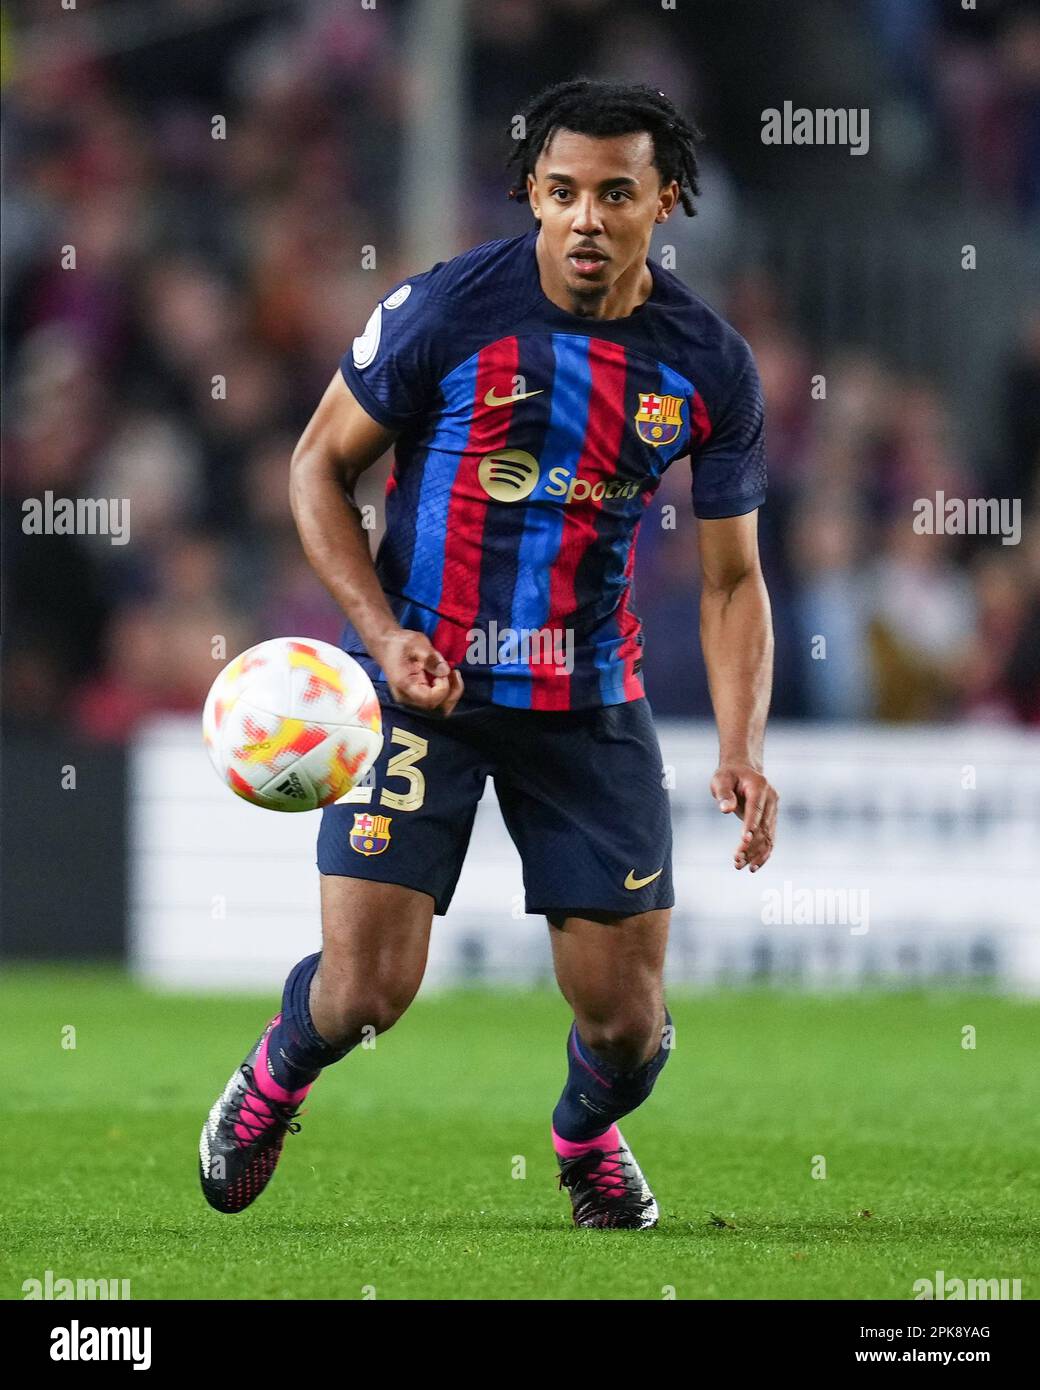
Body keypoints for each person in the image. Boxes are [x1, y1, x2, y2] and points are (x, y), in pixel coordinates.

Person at [199, 79, 778, 1229]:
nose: (585, 219)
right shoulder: (446, 309)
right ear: (531, 192)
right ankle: (273, 1077)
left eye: (616, 194)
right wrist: (383, 636)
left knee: (627, 1027)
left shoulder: (707, 364)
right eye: (559, 192)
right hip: (423, 692)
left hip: (586, 703)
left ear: (665, 201)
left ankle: (582, 1133)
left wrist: (740, 746)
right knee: (364, 993)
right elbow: (316, 467)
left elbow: (730, 579)